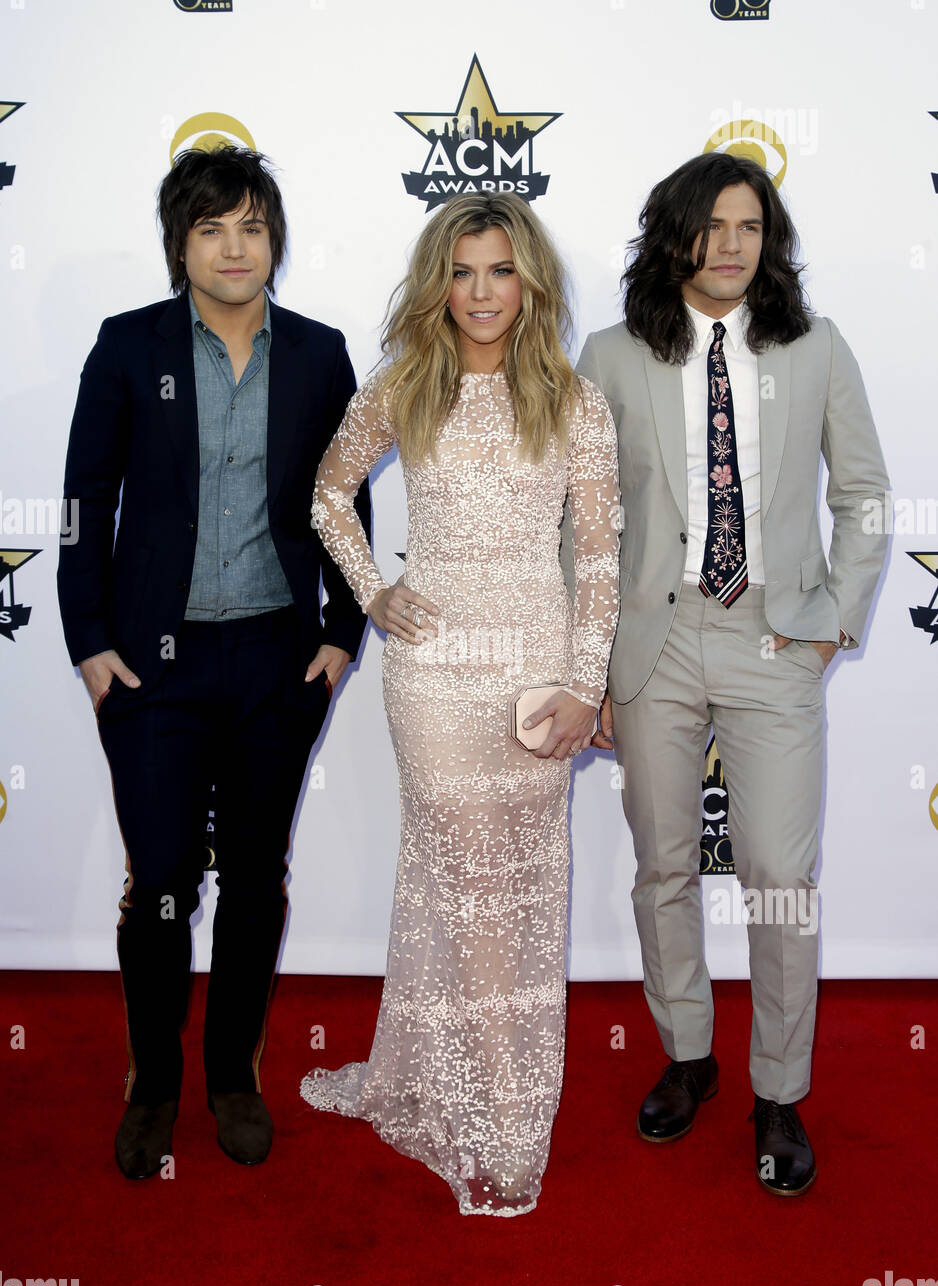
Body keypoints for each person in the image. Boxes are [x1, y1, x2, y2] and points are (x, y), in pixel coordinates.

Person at [564, 152, 889, 1195]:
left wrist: (832, 621)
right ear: (673, 236)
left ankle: (777, 1092)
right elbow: (585, 518)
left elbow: (864, 494)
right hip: (652, 645)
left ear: (769, 237)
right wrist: (594, 658)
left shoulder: (814, 345)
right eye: (711, 225)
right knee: (662, 865)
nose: (731, 244)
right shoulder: (612, 355)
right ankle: (686, 1055)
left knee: (779, 884)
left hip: (771, 638)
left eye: (749, 224)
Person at [300, 191, 620, 1216]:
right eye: (462, 270)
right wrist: (373, 591)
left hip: (534, 668)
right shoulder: (404, 385)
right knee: (460, 882)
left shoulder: (575, 400)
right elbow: (325, 492)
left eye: (500, 270)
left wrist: (583, 682)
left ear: (528, 280)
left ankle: (500, 1106)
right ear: (439, 280)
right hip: (432, 673)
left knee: (524, 894)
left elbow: (600, 558)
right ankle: (490, 1116)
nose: (481, 292)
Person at [57, 145, 371, 1179]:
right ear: (179, 245)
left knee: (254, 881)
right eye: (210, 228)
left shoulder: (321, 355)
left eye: (251, 225)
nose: (234, 247)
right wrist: (90, 642)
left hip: (278, 662)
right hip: (152, 670)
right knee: (160, 886)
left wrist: (339, 633)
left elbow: (342, 504)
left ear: (274, 238)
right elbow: (82, 502)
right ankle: (153, 1083)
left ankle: (232, 1073)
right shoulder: (127, 345)